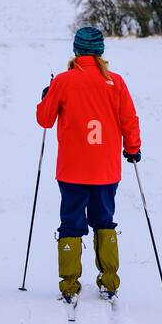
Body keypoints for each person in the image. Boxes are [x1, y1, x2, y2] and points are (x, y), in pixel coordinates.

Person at [34, 26, 141, 304]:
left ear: (76, 50)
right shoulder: (115, 82)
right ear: (101, 51)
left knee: (71, 222)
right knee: (104, 221)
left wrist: (47, 95)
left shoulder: (64, 81)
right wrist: (133, 148)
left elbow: (45, 120)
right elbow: (129, 118)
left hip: (72, 170)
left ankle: (69, 285)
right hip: (106, 169)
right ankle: (109, 281)